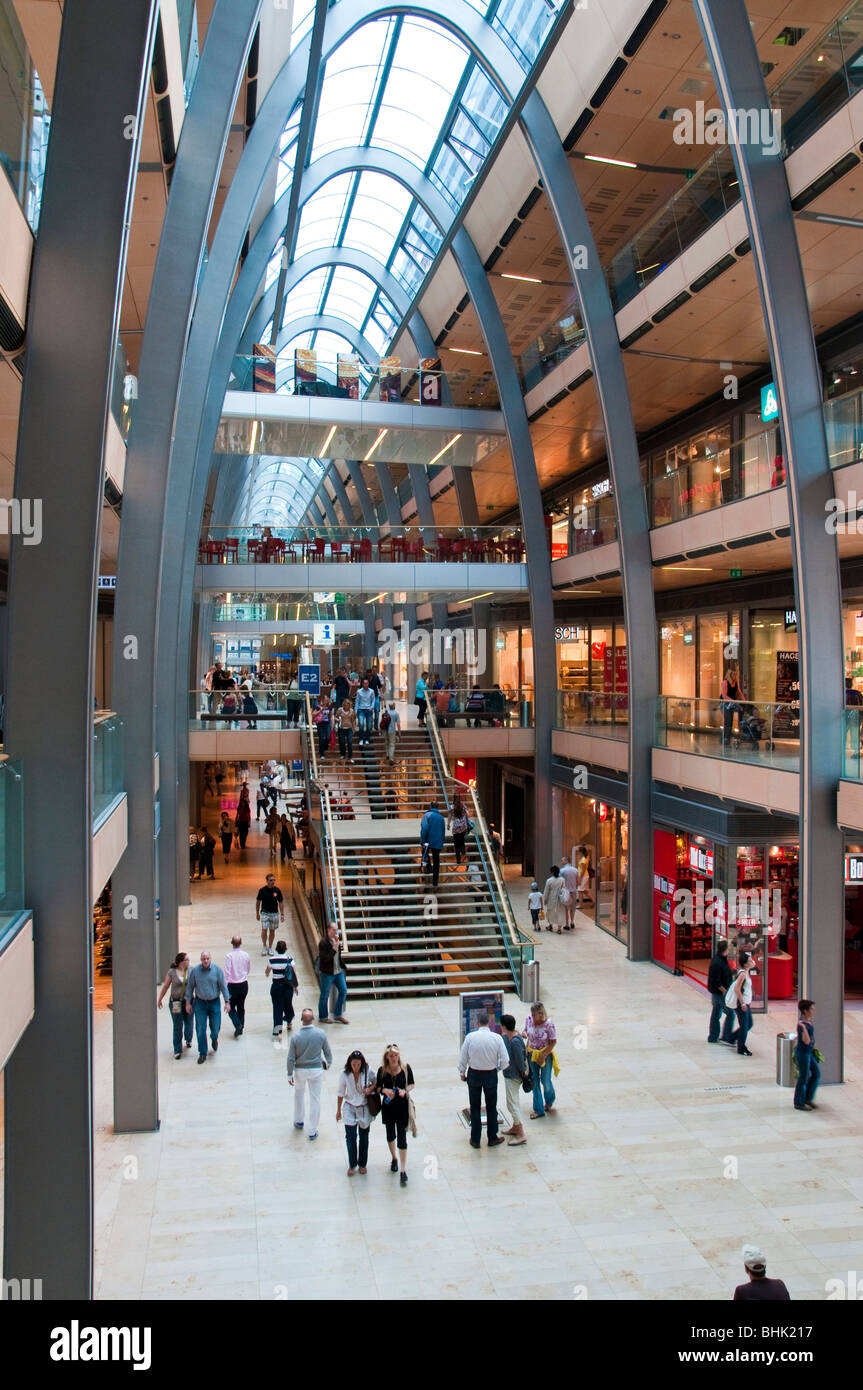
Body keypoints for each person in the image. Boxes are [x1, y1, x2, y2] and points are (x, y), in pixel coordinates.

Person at [458, 1010, 509, 1149]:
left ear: (477, 1023)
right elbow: (505, 1060)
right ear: (490, 1024)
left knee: (474, 1107)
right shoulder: (497, 1038)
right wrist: (497, 1069)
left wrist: (462, 1072)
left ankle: (475, 1139)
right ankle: (492, 1137)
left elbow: (463, 1057)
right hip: (490, 1074)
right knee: (491, 1107)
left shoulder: (470, 1037)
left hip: (474, 1074)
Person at [287, 1008, 333, 1140]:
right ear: (313, 1019)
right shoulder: (320, 1034)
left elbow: (291, 1058)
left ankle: (299, 1120)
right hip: (316, 1070)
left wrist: (289, 1074)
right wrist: (328, 1063)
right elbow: (327, 1052)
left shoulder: (296, 1036)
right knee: (315, 1099)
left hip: (300, 1070)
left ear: (301, 1020)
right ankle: (312, 1130)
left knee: (299, 1095)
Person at [375, 1043, 414, 1186]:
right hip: (388, 1107)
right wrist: (385, 1091)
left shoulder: (405, 1068)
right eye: (391, 1056)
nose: (394, 1058)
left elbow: (411, 1083)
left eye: (396, 1055)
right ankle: (394, 1158)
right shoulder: (382, 1071)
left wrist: (405, 1091)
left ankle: (403, 1170)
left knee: (402, 1138)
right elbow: (378, 1087)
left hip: (402, 1108)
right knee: (390, 1135)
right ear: (386, 1057)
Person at [184, 950, 231, 1064]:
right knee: (200, 1029)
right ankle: (202, 1053)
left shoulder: (217, 970)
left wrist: (227, 1001)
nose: (205, 961)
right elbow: (190, 987)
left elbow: (223, 986)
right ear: (201, 960)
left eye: (207, 958)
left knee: (215, 1027)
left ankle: (214, 1038)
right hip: (200, 1003)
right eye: (203, 959)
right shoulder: (195, 971)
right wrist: (188, 1003)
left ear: (210, 959)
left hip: (214, 1002)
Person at [336, 1049, 376, 1176]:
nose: (356, 1067)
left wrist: (369, 1089)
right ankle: (352, 1164)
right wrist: (338, 1111)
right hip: (350, 1106)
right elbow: (340, 1092)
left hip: (364, 1107)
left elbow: (376, 1081)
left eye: (358, 1064)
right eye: (354, 1064)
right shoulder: (344, 1074)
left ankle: (362, 1164)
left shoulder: (367, 1071)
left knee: (364, 1137)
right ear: (350, 1063)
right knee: (351, 1136)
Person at [157, 951, 194, 1058]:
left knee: (189, 1022)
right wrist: (160, 999)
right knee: (177, 1025)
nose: (188, 961)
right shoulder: (172, 972)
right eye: (187, 960)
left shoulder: (191, 970)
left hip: (189, 1001)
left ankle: (188, 1039)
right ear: (181, 962)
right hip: (176, 1002)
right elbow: (166, 986)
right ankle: (177, 1050)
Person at [524, 1001, 557, 1118]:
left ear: (541, 1014)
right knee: (535, 1081)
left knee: (545, 1080)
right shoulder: (528, 1020)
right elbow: (526, 1031)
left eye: (534, 1015)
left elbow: (553, 1041)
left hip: (545, 1055)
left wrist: (543, 1055)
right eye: (531, 1015)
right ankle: (538, 1109)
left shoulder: (548, 1024)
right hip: (531, 1053)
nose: (532, 1017)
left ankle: (549, 1100)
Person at [500, 1013, 528, 1146]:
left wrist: (522, 1074)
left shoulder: (516, 1041)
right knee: (511, 1101)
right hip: (509, 1074)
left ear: (504, 1026)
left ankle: (521, 1132)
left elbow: (520, 1061)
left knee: (512, 1103)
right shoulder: (508, 1037)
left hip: (514, 1076)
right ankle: (516, 1127)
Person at [266, 940, 299, 1038]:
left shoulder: (272, 960)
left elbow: (267, 971)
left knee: (277, 1008)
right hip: (288, 986)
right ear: (285, 949)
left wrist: (267, 973)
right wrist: (296, 986)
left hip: (276, 986)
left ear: (276, 949)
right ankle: (289, 1020)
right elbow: (294, 974)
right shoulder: (290, 960)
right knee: (288, 1004)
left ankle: (278, 1032)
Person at [318, 923, 349, 1024]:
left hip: (338, 971)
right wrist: (334, 949)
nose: (335, 932)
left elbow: (338, 957)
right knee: (325, 995)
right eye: (333, 930)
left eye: (336, 930)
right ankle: (323, 1017)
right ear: (328, 930)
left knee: (343, 990)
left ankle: (337, 1014)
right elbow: (325, 959)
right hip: (327, 973)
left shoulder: (336, 940)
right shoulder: (323, 943)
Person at [726, 950, 756, 1056]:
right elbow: (737, 989)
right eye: (750, 960)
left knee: (749, 1024)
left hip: (745, 1003)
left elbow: (754, 964)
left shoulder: (746, 972)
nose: (752, 961)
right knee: (745, 1026)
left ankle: (732, 1037)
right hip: (742, 1004)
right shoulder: (743, 974)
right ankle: (741, 1047)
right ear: (745, 963)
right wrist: (743, 1003)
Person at [793, 999, 820, 1112]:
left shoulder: (808, 1020)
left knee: (816, 1074)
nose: (814, 1010)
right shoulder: (802, 1024)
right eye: (812, 1009)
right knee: (803, 1077)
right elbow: (807, 1041)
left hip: (808, 1052)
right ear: (805, 1010)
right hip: (803, 1053)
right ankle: (799, 1102)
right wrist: (804, 1029)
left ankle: (808, 1098)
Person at [706, 938, 734, 1043]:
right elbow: (716, 979)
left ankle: (713, 1036)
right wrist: (724, 990)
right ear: (725, 949)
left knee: (716, 1013)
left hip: (717, 992)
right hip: (720, 993)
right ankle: (726, 1036)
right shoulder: (718, 962)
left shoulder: (720, 959)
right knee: (730, 1013)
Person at [224, 935, 251, 1038]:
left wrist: (225, 986)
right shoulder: (246, 955)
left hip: (232, 985)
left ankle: (237, 1024)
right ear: (241, 943)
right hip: (243, 984)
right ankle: (241, 1025)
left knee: (230, 1007)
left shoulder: (229, 956)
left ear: (232, 943)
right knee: (241, 1006)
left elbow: (227, 972)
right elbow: (248, 969)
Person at [256, 872, 285, 955]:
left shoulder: (277, 890)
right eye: (271, 880)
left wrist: (282, 914)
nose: (273, 882)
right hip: (265, 913)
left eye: (274, 880)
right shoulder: (262, 891)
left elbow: (280, 902)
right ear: (267, 881)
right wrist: (257, 913)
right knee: (264, 929)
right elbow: (258, 902)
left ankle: (270, 947)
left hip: (274, 914)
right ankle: (264, 946)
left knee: (272, 931)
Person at [420, 800, 446, 889]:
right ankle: (435, 881)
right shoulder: (441, 818)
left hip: (428, 841)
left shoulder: (427, 815)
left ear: (430, 806)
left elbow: (424, 829)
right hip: (437, 842)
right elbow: (443, 831)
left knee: (425, 854)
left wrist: (423, 841)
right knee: (436, 860)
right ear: (437, 807)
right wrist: (441, 842)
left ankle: (428, 868)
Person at [721, 663, 744, 744]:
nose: (734, 675)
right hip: (725, 703)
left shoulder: (736, 682)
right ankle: (726, 737)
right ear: (729, 674)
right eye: (733, 674)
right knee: (728, 720)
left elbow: (739, 692)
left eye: (735, 674)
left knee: (741, 711)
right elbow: (724, 695)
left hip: (733, 702)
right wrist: (732, 700)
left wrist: (744, 701)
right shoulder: (725, 682)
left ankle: (740, 730)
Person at [542, 865, 566, 935]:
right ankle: (559, 928)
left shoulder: (549, 880)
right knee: (560, 912)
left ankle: (550, 926)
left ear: (552, 872)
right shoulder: (562, 879)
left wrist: (545, 899)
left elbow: (546, 891)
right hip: (560, 898)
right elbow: (564, 888)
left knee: (550, 911)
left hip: (551, 898)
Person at [448, 794, 470, 866]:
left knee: (456, 844)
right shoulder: (463, 805)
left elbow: (450, 816)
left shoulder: (452, 807)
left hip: (456, 826)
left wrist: (448, 824)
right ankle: (463, 850)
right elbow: (467, 814)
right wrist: (466, 821)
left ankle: (458, 860)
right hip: (463, 825)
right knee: (462, 839)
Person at [559, 855, 579, 930]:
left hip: (565, 892)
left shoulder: (562, 871)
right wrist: (574, 887)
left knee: (566, 908)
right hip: (573, 891)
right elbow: (578, 882)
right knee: (573, 908)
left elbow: (560, 881)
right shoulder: (575, 870)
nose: (561, 862)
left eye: (562, 860)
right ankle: (572, 922)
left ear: (566, 861)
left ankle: (567, 924)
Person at [354, 678, 375, 746]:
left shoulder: (371, 691)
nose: (365, 684)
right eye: (364, 683)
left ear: (368, 684)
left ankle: (367, 739)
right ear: (362, 684)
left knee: (369, 726)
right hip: (361, 709)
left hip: (368, 709)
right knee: (361, 724)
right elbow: (357, 701)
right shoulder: (359, 691)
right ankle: (361, 739)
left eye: (367, 683)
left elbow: (373, 700)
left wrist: (372, 707)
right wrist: (355, 710)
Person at [336, 699, 357, 763]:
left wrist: (354, 728)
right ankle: (343, 754)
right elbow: (335, 717)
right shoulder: (340, 710)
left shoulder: (352, 711)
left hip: (349, 728)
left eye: (348, 705)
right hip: (341, 728)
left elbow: (353, 720)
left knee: (349, 743)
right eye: (345, 705)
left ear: (349, 705)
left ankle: (350, 756)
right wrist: (337, 720)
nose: (346, 706)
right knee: (342, 742)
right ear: (343, 705)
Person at [234, 785, 251, 850]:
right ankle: (242, 844)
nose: (242, 804)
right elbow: (238, 814)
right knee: (241, 834)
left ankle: (243, 843)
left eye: (243, 803)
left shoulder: (247, 808)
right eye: (241, 803)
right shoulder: (240, 808)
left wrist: (249, 822)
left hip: (246, 821)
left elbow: (249, 815)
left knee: (245, 833)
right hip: (241, 822)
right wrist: (236, 822)